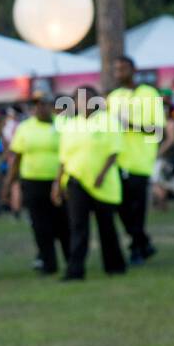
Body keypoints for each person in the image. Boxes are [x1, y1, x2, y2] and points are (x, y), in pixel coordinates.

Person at [54, 89, 126, 281]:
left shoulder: (108, 121)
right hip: (77, 182)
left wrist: (101, 175)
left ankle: (114, 265)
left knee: (106, 226)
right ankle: (75, 270)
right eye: (78, 100)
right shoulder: (71, 125)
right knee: (78, 227)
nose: (82, 103)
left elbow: (114, 151)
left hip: (102, 183)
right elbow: (63, 157)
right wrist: (57, 183)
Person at [107, 56, 165, 264]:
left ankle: (137, 249)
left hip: (140, 160)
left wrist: (130, 125)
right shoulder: (113, 97)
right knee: (121, 208)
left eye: (122, 69)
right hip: (117, 160)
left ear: (133, 70)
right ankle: (142, 242)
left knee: (137, 209)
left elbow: (157, 129)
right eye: (116, 69)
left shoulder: (149, 94)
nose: (119, 73)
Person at [5, 92, 69, 275]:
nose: (40, 108)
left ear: (52, 106)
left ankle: (71, 259)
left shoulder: (62, 124)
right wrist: (8, 184)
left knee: (63, 223)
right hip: (33, 182)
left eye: (44, 104)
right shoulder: (25, 128)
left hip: (59, 182)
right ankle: (48, 263)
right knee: (40, 225)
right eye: (36, 105)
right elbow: (17, 157)